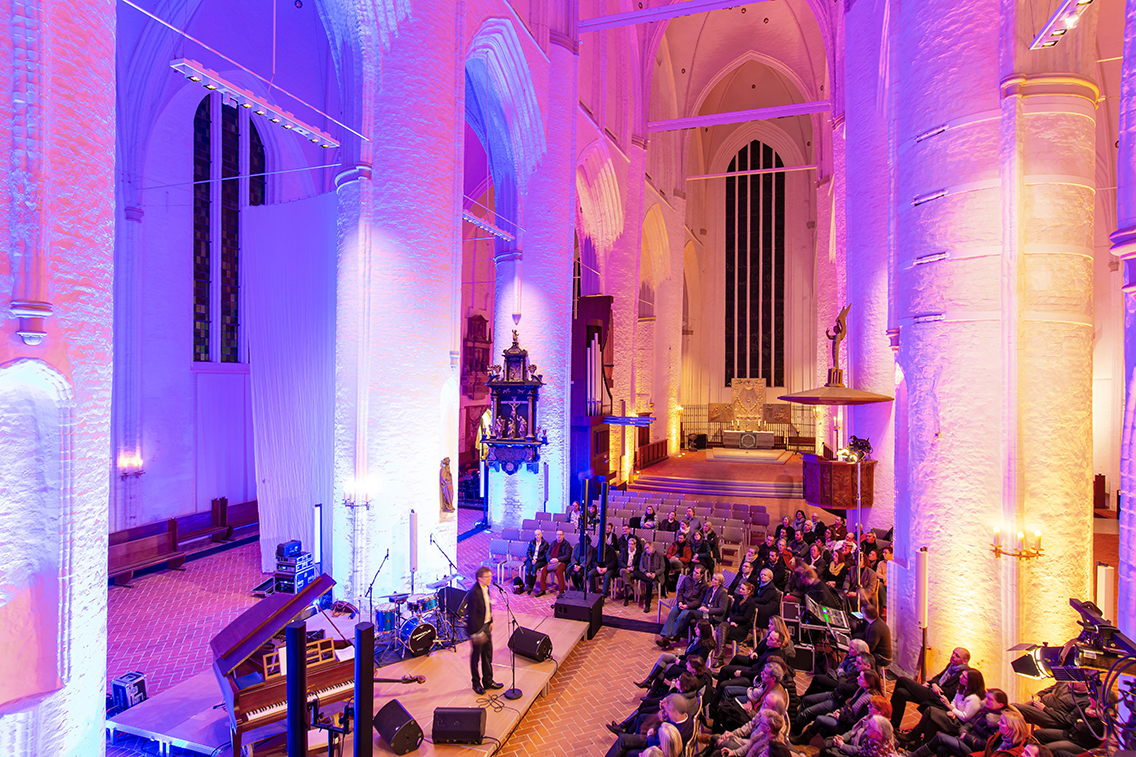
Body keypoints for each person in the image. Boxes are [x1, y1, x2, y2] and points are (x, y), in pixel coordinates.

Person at [898, 669, 985, 749]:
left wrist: (950, 708)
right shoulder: (962, 688)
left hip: (959, 724)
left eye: (964, 677)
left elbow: (965, 717)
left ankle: (913, 734)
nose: (960, 677)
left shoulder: (974, 699)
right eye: (962, 674)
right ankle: (923, 746)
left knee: (930, 710)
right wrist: (953, 710)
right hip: (954, 715)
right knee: (932, 721)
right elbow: (954, 702)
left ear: (972, 682)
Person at [908, 688, 1009, 757]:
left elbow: (985, 745)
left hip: (975, 751)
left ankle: (913, 755)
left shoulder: (998, 723)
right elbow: (968, 725)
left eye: (990, 699)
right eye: (986, 697)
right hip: (964, 741)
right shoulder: (984, 711)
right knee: (941, 749)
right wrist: (963, 732)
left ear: (1000, 705)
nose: (985, 700)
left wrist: (966, 737)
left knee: (941, 737)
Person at [889, 647, 971, 730]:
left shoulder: (963, 675)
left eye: (957, 656)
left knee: (902, 680)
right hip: (933, 692)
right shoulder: (951, 665)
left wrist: (935, 687)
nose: (953, 656)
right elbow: (938, 677)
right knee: (901, 692)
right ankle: (894, 726)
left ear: (965, 661)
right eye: (953, 653)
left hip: (939, 699)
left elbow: (950, 693)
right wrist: (934, 684)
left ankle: (887, 711)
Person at [464, 566, 503, 695]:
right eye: (487, 577)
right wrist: (476, 633)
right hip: (477, 629)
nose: (490, 578)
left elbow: (487, 606)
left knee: (487, 655)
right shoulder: (474, 593)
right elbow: (472, 615)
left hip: (486, 626)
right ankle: (476, 683)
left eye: (490, 576)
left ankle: (488, 680)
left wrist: (490, 620)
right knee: (476, 657)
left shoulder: (486, 588)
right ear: (479, 578)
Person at [658, 564, 707, 647]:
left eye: (697, 573)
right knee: (673, 614)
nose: (694, 574)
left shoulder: (704, 586)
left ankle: (668, 638)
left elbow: (699, 601)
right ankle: (665, 635)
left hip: (691, 607)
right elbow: (680, 591)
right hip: (682, 602)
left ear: (702, 575)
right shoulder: (687, 578)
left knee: (681, 617)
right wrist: (680, 601)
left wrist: (687, 606)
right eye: (694, 571)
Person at [1012, 681, 1093, 731]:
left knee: (1017, 708)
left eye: (1075, 680)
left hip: (1052, 717)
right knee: (1011, 712)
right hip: (1039, 705)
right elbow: (1046, 691)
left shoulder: (1085, 700)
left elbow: (1068, 719)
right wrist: (1038, 696)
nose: (1071, 681)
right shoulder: (1065, 683)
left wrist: (1045, 709)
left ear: (1084, 683)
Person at [672, 570, 729, 640]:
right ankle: (697, 640)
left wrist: (707, 610)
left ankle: (679, 634)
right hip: (705, 613)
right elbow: (704, 601)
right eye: (713, 578)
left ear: (720, 583)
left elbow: (722, 610)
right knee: (692, 621)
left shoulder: (722, 593)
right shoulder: (709, 589)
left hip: (714, 617)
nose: (713, 580)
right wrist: (703, 606)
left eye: (715, 580)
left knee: (691, 613)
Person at [715, 580, 758, 662]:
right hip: (732, 622)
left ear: (748, 591)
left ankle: (720, 657)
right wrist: (731, 620)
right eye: (741, 588)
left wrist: (733, 620)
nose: (740, 590)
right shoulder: (738, 597)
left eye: (743, 589)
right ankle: (721, 655)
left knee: (722, 631)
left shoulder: (751, 603)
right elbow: (731, 611)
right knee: (722, 626)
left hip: (742, 627)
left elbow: (746, 619)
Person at [629, 540, 666, 612]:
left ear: (652, 547)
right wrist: (646, 573)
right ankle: (652, 581)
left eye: (648, 548)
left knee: (648, 584)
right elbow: (641, 567)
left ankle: (647, 605)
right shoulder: (643, 555)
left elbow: (662, 568)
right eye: (645, 548)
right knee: (636, 572)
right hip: (646, 574)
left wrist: (655, 573)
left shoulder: (659, 555)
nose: (646, 550)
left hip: (656, 575)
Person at [855, 603, 892, 668]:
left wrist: (858, 651)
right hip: (877, 651)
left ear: (866, 615)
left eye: (862, 613)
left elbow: (870, 648)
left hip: (882, 657)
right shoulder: (873, 622)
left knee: (858, 657)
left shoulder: (875, 628)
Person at [537, 528, 572, 596]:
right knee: (544, 571)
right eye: (557, 535)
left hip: (562, 562)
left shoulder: (566, 544)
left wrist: (558, 559)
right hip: (552, 561)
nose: (559, 536)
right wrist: (550, 559)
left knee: (558, 571)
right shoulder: (553, 543)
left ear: (563, 536)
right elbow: (547, 553)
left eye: (560, 535)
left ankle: (561, 591)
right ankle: (542, 590)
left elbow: (567, 556)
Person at [521, 529, 550, 594]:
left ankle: (531, 587)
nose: (537, 536)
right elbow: (528, 552)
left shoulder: (545, 544)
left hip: (540, 560)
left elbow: (545, 555)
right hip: (531, 559)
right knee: (528, 568)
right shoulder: (532, 542)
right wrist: (532, 559)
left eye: (538, 534)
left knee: (534, 569)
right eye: (535, 535)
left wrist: (537, 560)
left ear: (541, 535)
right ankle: (528, 586)